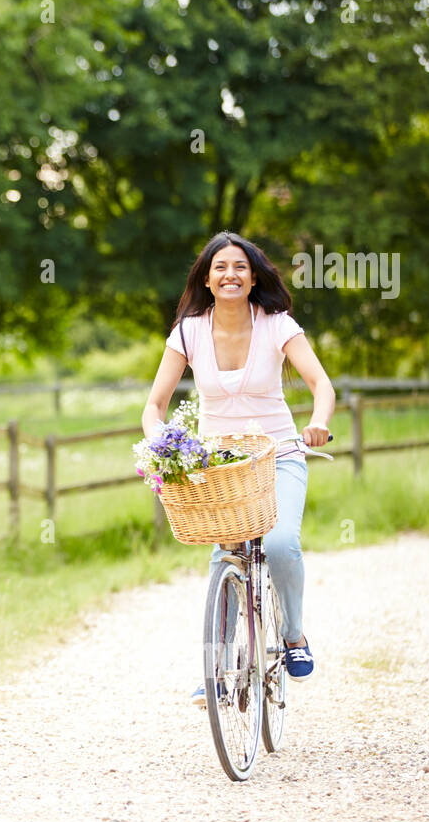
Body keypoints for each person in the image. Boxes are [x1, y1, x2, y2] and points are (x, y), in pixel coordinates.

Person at [141, 231, 336, 704]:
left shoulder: (277, 324)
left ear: (253, 278)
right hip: (219, 466)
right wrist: (160, 443)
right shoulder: (188, 331)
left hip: (278, 455)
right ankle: (219, 669)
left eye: (240, 268)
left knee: (281, 542)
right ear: (207, 279)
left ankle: (293, 637)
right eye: (221, 267)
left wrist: (318, 423)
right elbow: (155, 404)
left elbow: (320, 383)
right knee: (224, 560)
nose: (231, 275)